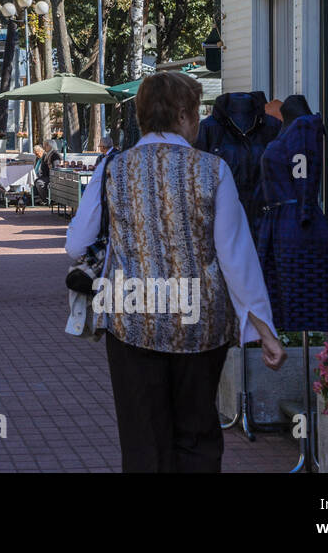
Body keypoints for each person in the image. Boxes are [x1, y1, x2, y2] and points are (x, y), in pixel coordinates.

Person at [64, 72, 285, 472]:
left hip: (131, 320)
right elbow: (236, 256)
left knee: (143, 440)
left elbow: (77, 245)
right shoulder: (212, 169)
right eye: (196, 111)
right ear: (183, 115)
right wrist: (262, 328)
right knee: (197, 436)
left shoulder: (113, 167)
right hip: (199, 324)